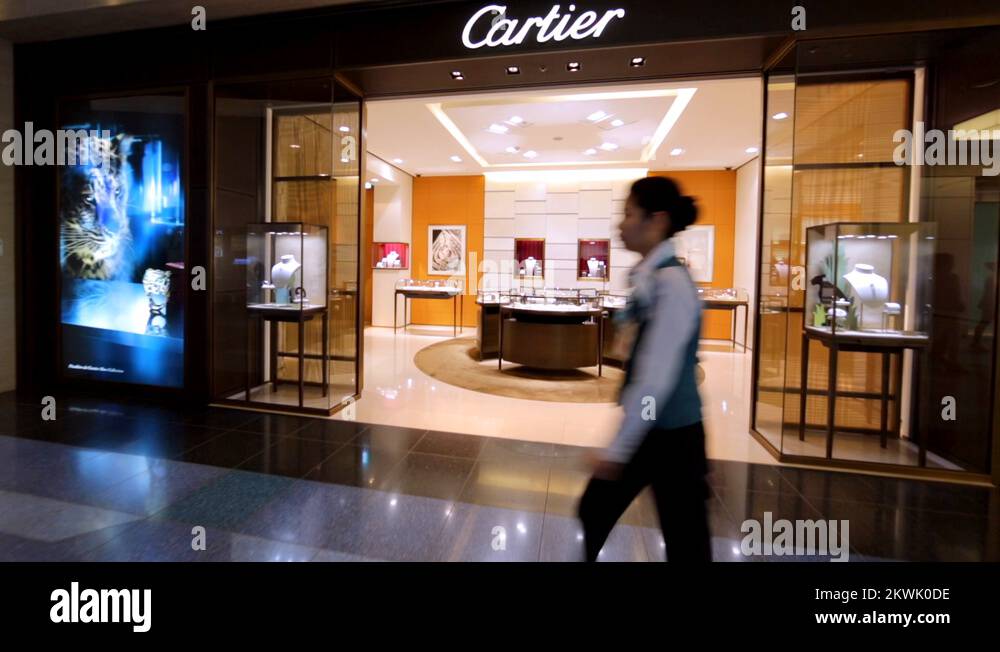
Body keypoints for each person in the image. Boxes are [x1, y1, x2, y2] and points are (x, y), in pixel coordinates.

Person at [578, 176, 711, 562]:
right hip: (660, 430)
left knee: (685, 540)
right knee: (596, 509)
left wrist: (620, 447)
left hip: (668, 433)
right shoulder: (651, 278)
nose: (620, 225)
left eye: (628, 214)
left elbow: (656, 379)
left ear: (657, 221)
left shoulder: (671, 284)